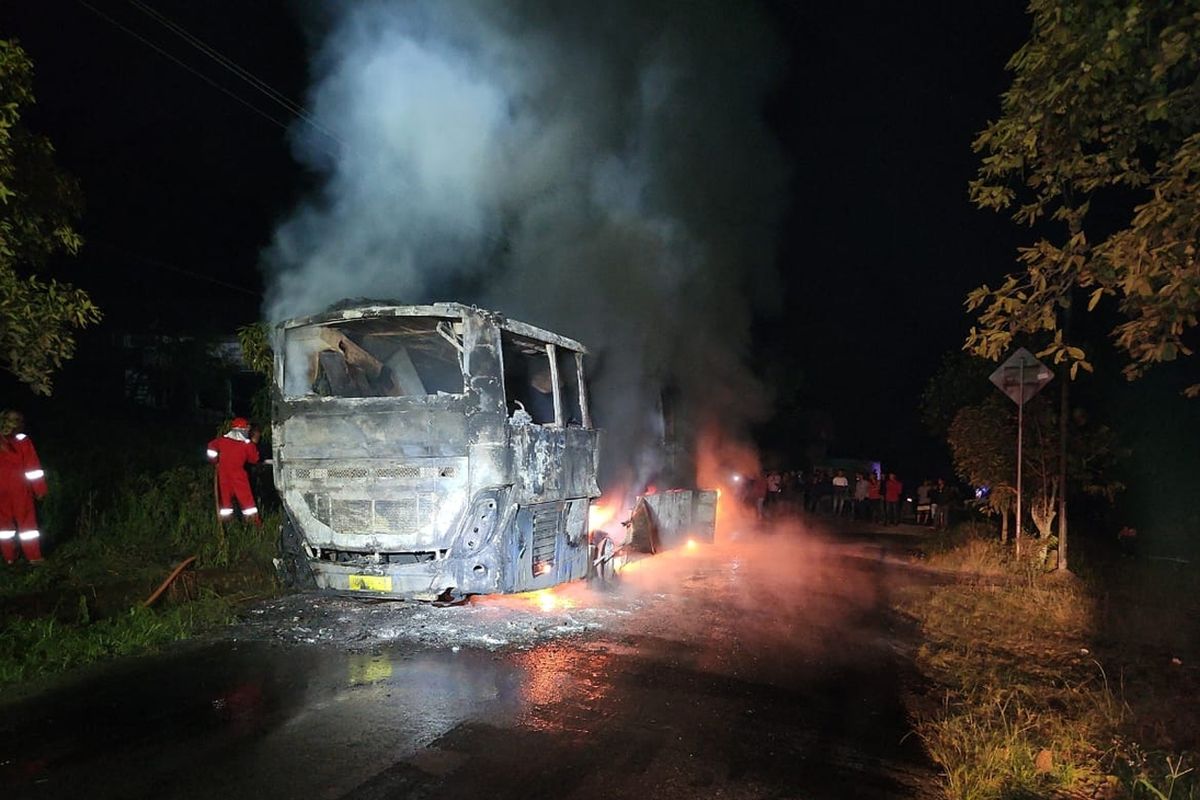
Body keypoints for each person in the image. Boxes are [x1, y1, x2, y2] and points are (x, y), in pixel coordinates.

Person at [0, 410, 48, 564]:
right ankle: (34, 556)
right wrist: (40, 489)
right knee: (27, 523)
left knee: (4, 526)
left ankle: (9, 557)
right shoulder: (23, 440)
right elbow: (32, 468)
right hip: (19, 488)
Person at [207, 417, 262, 525]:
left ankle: (227, 525)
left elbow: (210, 447)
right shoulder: (247, 445)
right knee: (247, 503)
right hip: (238, 476)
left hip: (223, 475)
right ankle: (255, 525)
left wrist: (215, 460)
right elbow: (254, 459)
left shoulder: (221, 440)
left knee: (226, 503)